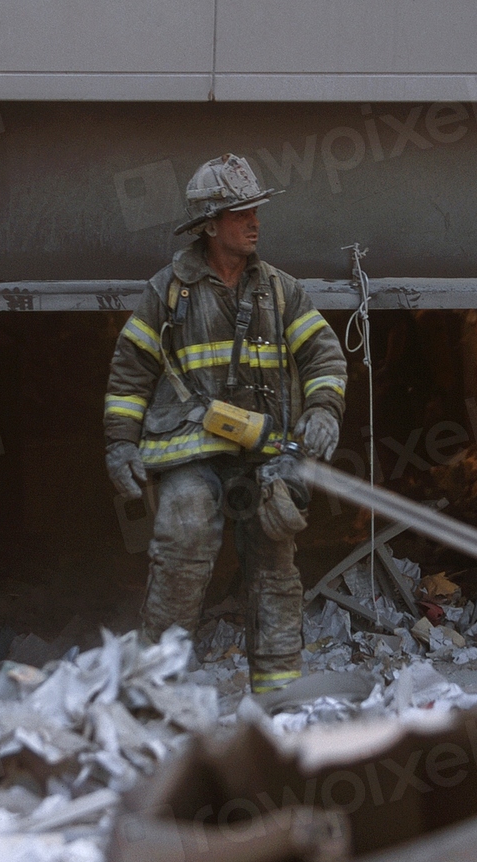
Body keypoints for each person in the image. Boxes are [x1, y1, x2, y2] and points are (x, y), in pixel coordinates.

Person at [104, 154, 347, 693]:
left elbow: (324, 357)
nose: (255, 222)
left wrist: (324, 409)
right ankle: (153, 694)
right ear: (210, 225)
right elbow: (129, 374)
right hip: (190, 453)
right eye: (241, 214)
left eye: (256, 211)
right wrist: (120, 445)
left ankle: (278, 698)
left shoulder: (282, 291)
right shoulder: (166, 293)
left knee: (274, 565)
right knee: (184, 538)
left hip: (266, 453)